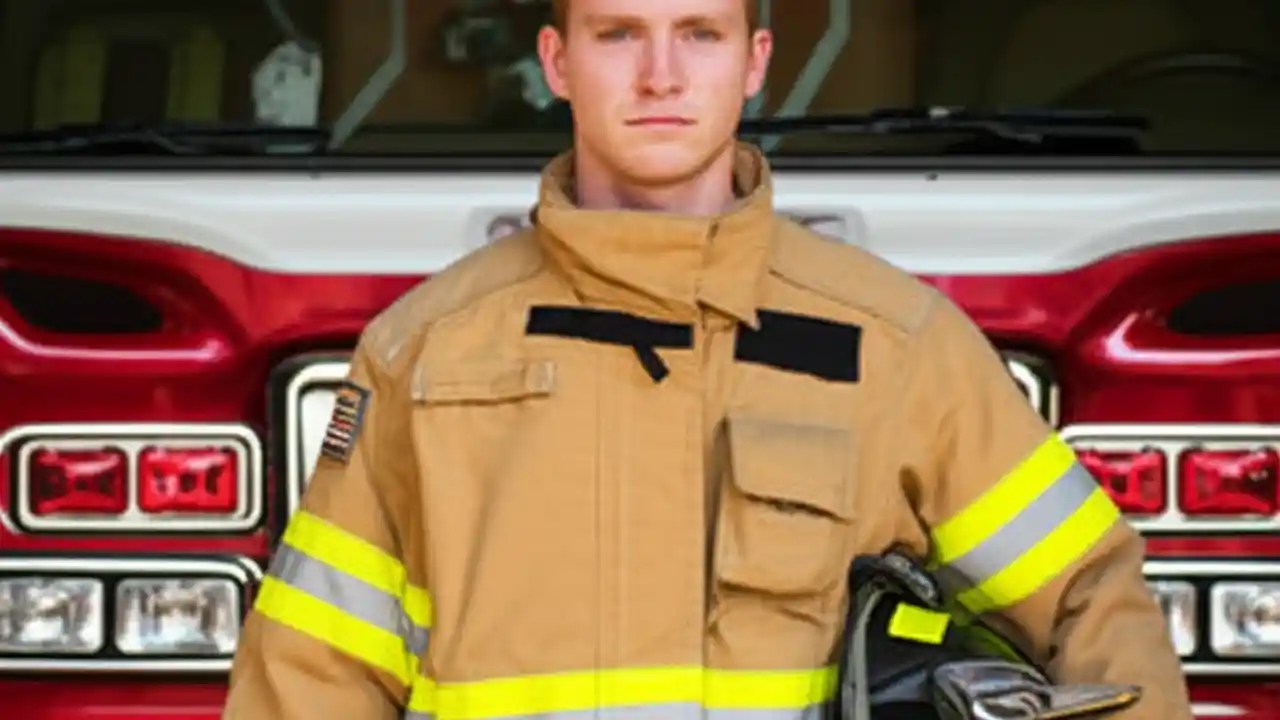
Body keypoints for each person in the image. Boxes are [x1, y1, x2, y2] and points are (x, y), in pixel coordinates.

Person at [221, 0, 1194, 717]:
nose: (659, 75)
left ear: (753, 60)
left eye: (698, 32)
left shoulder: (894, 345)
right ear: (556, 62)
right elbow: (313, 673)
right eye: (617, 35)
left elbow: (1086, 599)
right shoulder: (421, 354)